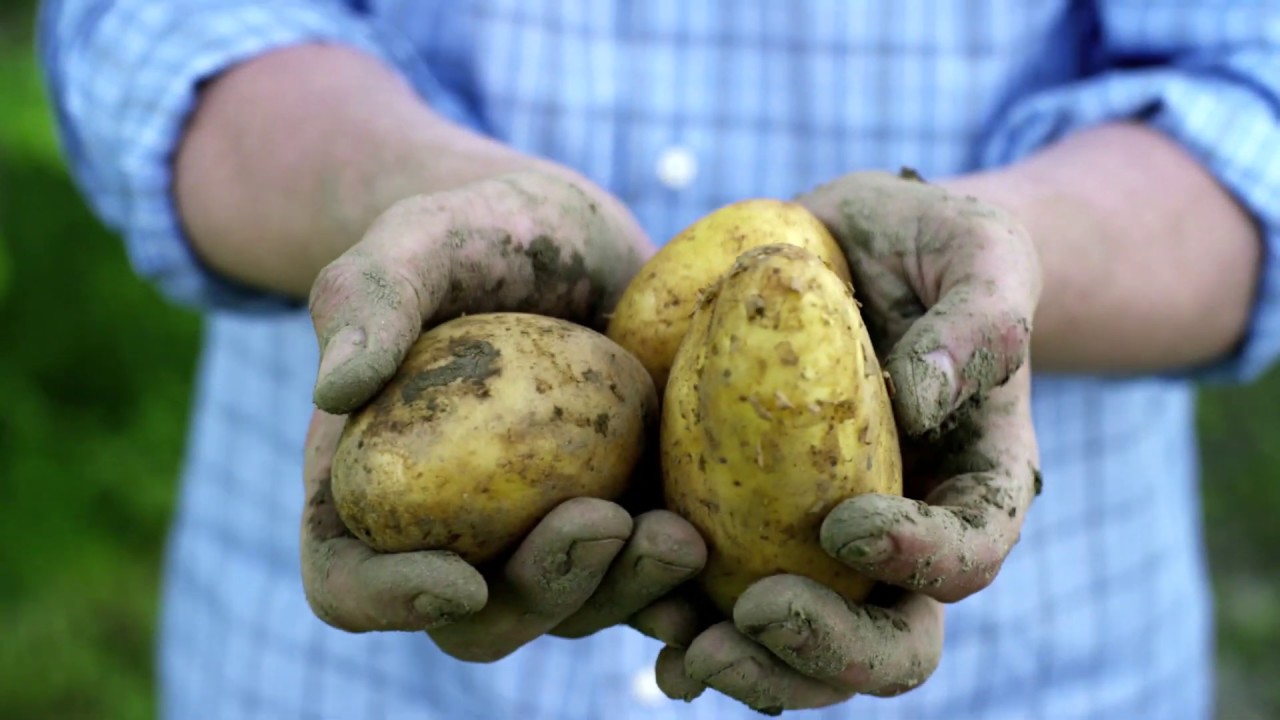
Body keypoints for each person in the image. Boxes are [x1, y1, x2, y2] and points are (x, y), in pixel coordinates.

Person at [35, 1, 1280, 718]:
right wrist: (396, 193)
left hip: (1027, 678)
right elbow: (151, 24)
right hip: (341, 682)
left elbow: (1255, 89)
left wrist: (997, 274)